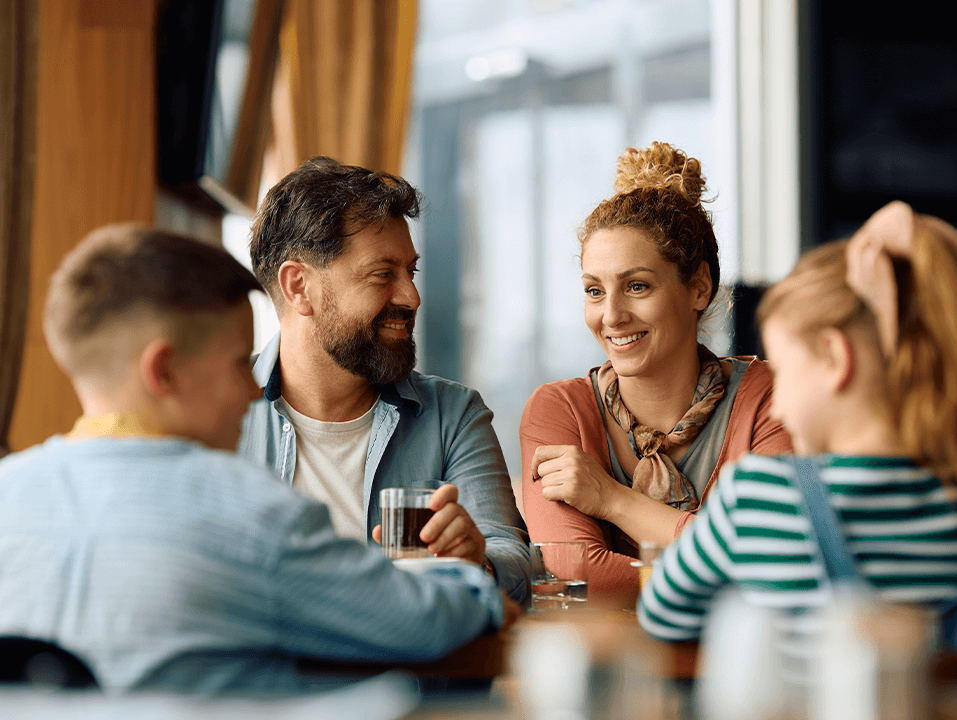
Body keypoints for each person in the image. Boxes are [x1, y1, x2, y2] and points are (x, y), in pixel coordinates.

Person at [0, 226, 513, 694]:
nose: (253, 390)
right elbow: (422, 622)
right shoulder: (248, 512)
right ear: (164, 372)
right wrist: (466, 579)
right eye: (234, 363)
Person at [638, 201, 957, 643]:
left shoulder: (759, 494)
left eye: (782, 372)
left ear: (835, 358)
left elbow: (662, 615)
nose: (779, 407)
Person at [239, 156, 530, 603]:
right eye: (382, 275)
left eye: (410, 272)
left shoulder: (451, 416)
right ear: (299, 286)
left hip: (412, 673)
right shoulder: (220, 413)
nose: (412, 296)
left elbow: (513, 557)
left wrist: (480, 562)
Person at [520, 142, 793, 603]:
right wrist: (721, 563)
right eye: (594, 291)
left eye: (637, 286)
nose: (611, 316)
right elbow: (577, 575)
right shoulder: (559, 410)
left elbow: (771, 565)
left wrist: (611, 499)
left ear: (699, 288)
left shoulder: (771, 398)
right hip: (608, 668)